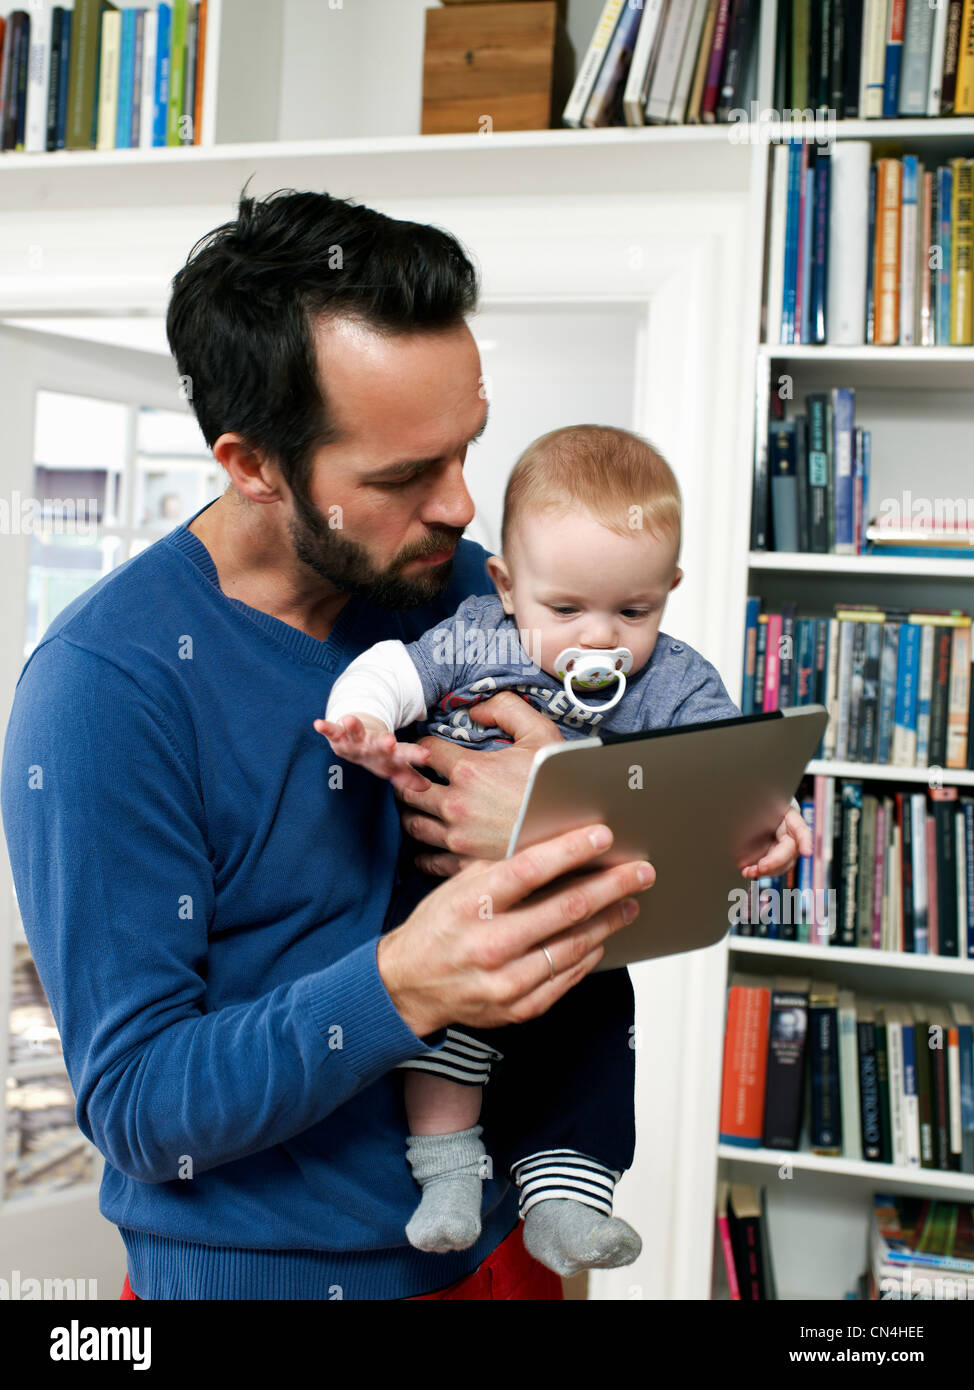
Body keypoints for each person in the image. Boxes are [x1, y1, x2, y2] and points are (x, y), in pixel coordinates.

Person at [0, 188, 662, 1301]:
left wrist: (567, 797)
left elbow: (615, 839)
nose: (460, 507)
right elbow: (138, 1111)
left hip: (505, 1245)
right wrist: (404, 980)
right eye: (403, 476)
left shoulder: (456, 589)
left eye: (466, 450)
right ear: (252, 462)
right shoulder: (103, 691)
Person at [317, 423, 812, 1273]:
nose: (602, 638)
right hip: (450, 892)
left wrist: (774, 811)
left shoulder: (677, 680)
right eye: (567, 608)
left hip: (585, 921)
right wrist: (363, 719)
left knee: (594, 1035)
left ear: (669, 591)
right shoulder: (477, 636)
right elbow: (398, 670)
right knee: (446, 1026)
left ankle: (568, 1200)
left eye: (634, 610)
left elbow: (719, 770)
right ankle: (446, 1173)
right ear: (507, 587)